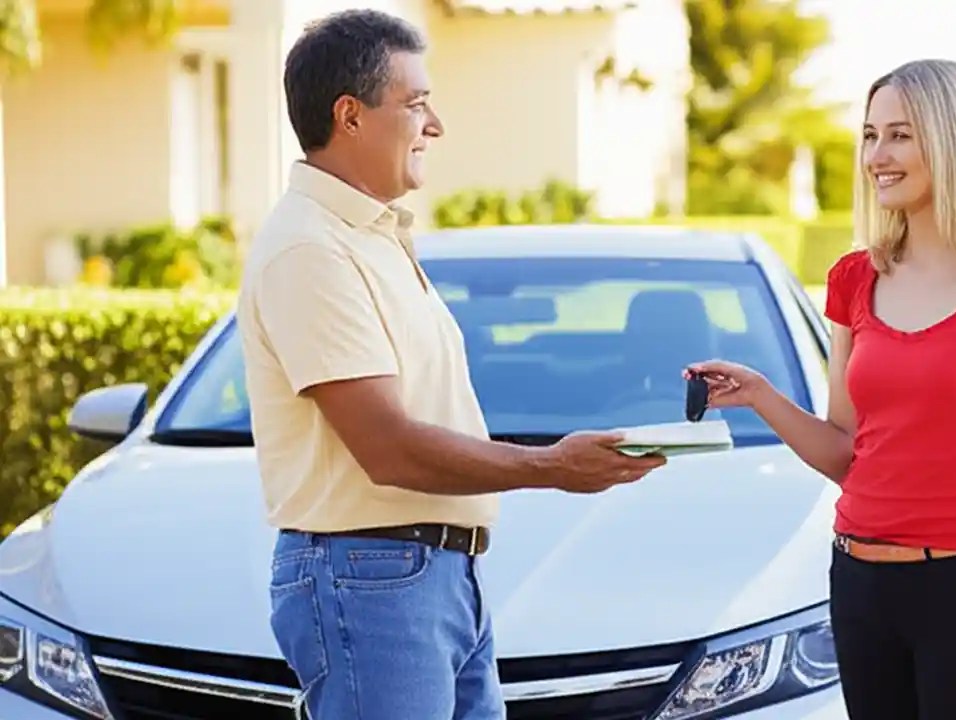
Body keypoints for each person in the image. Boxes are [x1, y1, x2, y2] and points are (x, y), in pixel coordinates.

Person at [237, 9, 666, 719]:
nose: (435, 125)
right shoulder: (311, 250)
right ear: (349, 116)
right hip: (371, 577)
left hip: (431, 573)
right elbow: (387, 448)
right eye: (416, 104)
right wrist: (552, 467)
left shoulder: (372, 236)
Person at [685, 58, 956, 720]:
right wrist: (760, 395)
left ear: (952, 140)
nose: (878, 155)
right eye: (870, 135)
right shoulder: (853, 281)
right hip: (860, 586)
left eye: (899, 135)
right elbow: (846, 453)